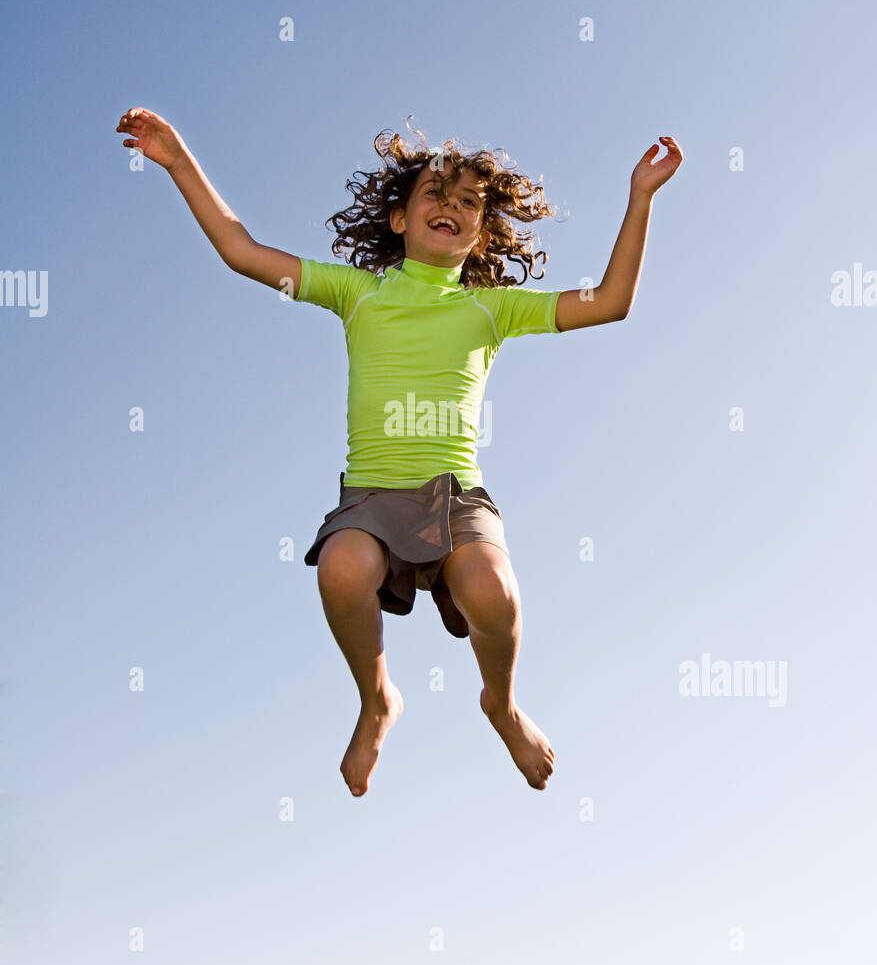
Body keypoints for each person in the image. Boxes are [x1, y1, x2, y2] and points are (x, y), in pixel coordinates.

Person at [116, 108, 683, 796]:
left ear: (480, 234)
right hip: (371, 499)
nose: (449, 207)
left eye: (468, 202)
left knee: (492, 593)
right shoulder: (357, 294)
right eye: (434, 196)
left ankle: (499, 705)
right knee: (339, 567)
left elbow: (611, 301)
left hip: (456, 499)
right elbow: (241, 251)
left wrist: (640, 197)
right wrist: (179, 162)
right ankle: (377, 697)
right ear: (399, 220)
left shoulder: (493, 309)